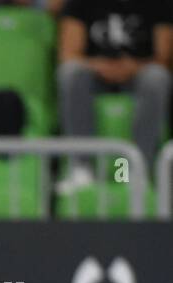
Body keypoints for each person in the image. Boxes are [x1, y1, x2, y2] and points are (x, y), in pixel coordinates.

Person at [57, 0, 173, 184]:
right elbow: (68, 54)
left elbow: (163, 57)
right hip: (94, 73)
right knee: (70, 72)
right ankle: (81, 167)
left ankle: (138, 168)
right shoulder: (78, 4)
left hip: (138, 73)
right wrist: (100, 66)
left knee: (157, 77)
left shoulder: (159, 4)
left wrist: (132, 68)